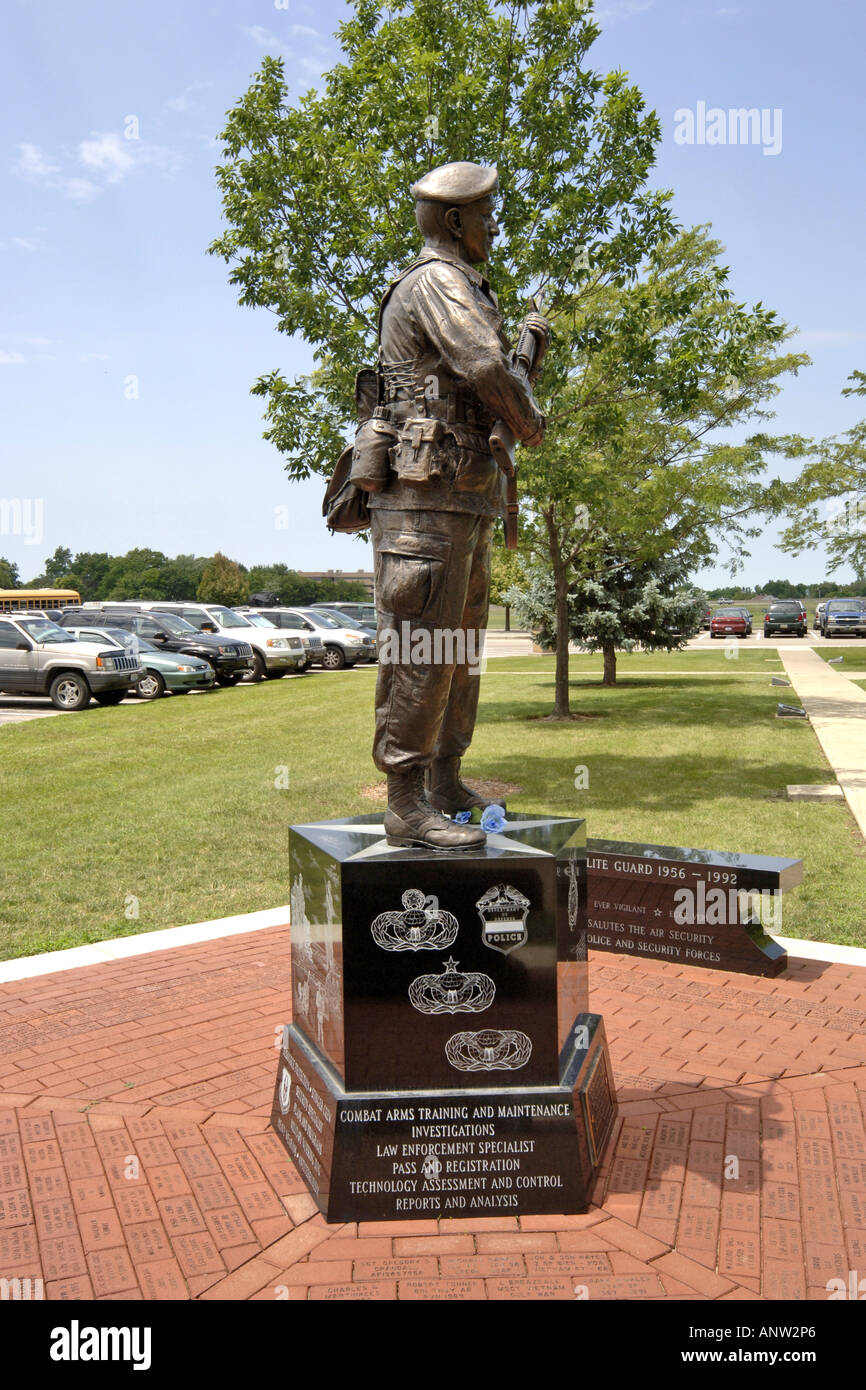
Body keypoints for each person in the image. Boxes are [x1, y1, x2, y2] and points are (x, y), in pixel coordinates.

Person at [367, 161, 548, 851]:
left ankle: (443, 781)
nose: (494, 224)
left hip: (462, 498)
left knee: (459, 651)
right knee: (421, 648)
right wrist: (529, 419)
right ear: (453, 221)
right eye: (485, 213)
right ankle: (406, 802)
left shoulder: (462, 282)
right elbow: (485, 367)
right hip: (425, 505)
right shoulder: (438, 282)